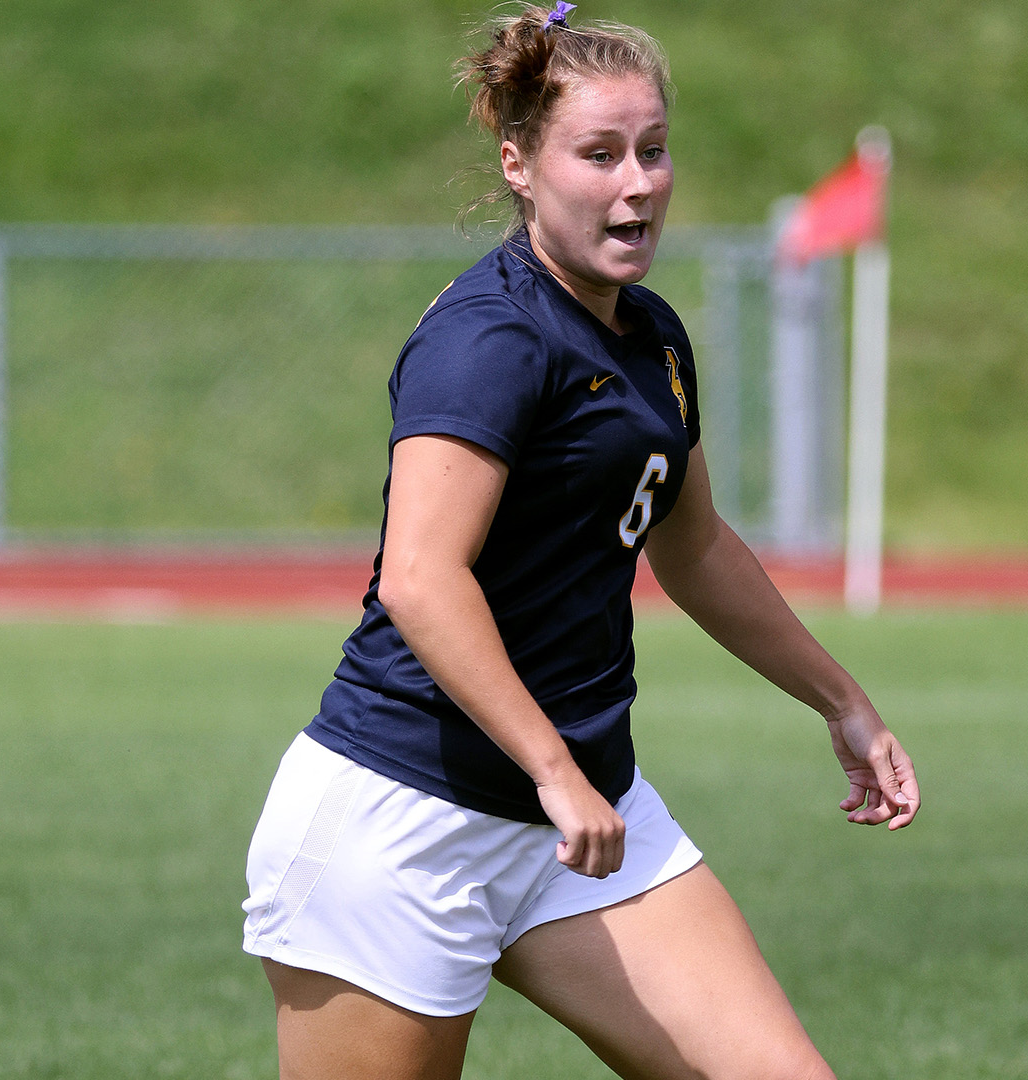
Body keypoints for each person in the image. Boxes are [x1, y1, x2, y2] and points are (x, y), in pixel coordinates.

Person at [240, 6, 919, 1077]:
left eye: (652, 151)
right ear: (518, 163)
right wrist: (552, 770)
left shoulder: (650, 334)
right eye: (598, 155)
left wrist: (841, 699)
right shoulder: (490, 338)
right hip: (406, 823)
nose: (637, 183)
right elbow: (421, 577)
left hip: (588, 817)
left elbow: (692, 547)